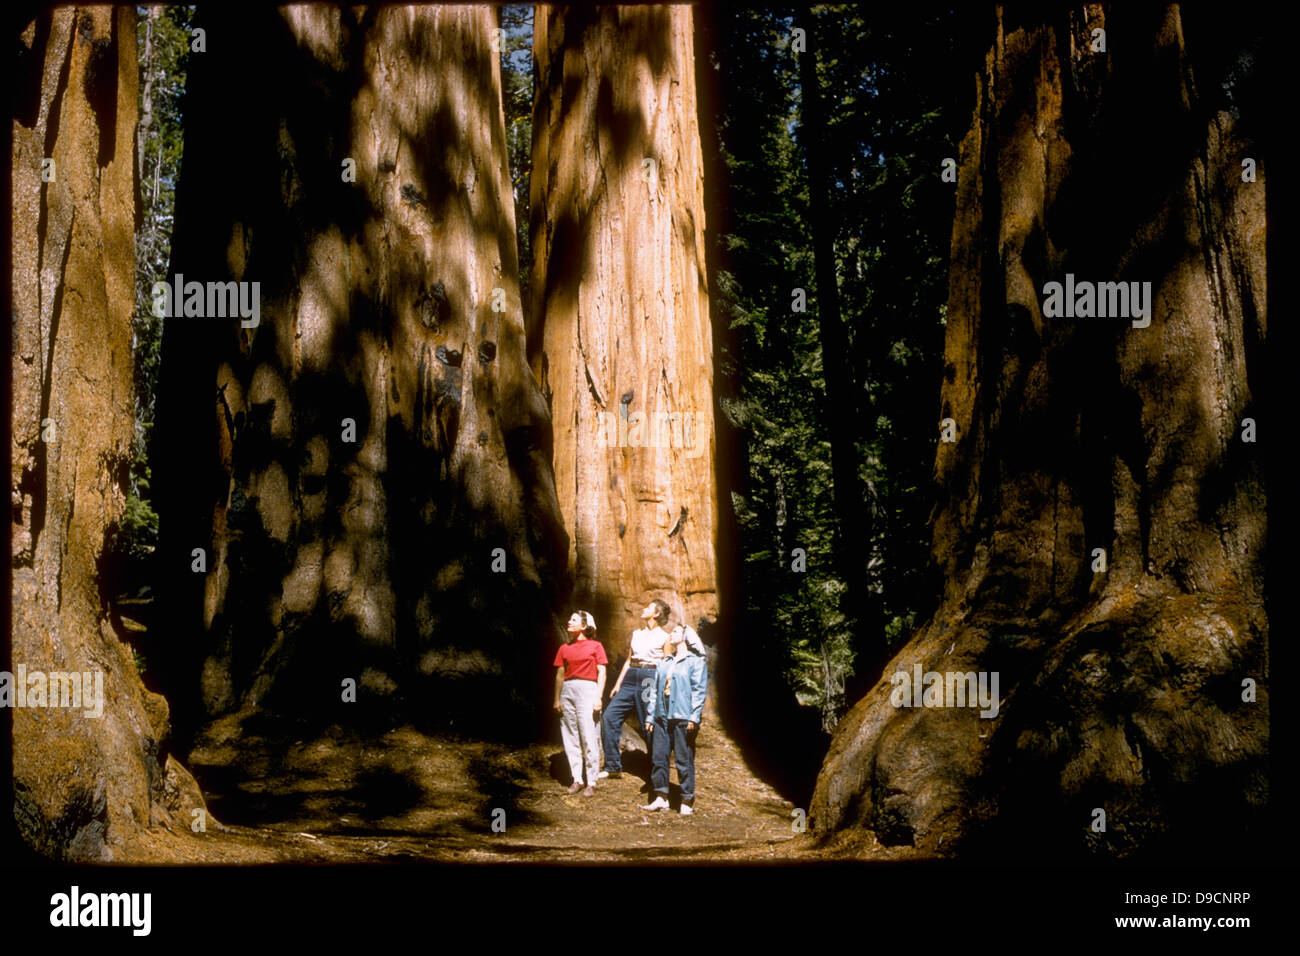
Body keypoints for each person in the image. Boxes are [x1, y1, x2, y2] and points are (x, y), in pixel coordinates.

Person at [597, 599, 671, 780]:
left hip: (650, 678)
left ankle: (656, 770)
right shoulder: (636, 634)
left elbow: (667, 664)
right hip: (631, 678)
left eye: (649, 607)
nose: (644, 608)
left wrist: (665, 687)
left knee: (649, 723)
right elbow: (629, 661)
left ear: (657, 613)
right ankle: (612, 765)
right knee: (609, 717)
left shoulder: (664, 637)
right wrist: (617, 684)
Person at [641, 625, 708, 815]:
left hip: (683, 716)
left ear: (687, 637)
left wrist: (694, 717)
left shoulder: (695, 662)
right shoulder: (665, 662)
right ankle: (660, 796)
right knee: (658, 757)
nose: (671, 634)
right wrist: (650, 716)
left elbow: (698, 691)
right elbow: (654, 691)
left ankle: (687, 798)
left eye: (676, 632)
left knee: (683, 759)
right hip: (662, 716)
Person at [553, 610, 607, 796]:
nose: (569, 621)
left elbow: (602, 671)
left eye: (574, 620)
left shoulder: (596, 646)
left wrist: (598, 696)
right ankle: (577, 778)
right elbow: (560, 674)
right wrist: (556, 698)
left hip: (588, 690)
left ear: (584, 626)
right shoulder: (564, 648)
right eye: (569, 619)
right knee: (570, 734)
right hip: (568, 690)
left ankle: (592, 780)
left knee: (589, 734)